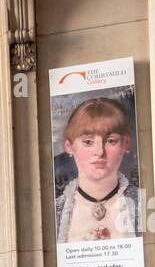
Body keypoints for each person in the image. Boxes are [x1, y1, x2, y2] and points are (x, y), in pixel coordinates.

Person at [55, 96, 140, 243]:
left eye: (111, 141)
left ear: (125, 144)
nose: (100, 151)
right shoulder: (55, 212)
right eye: (88, 142)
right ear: (69, 147)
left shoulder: (142, 204)